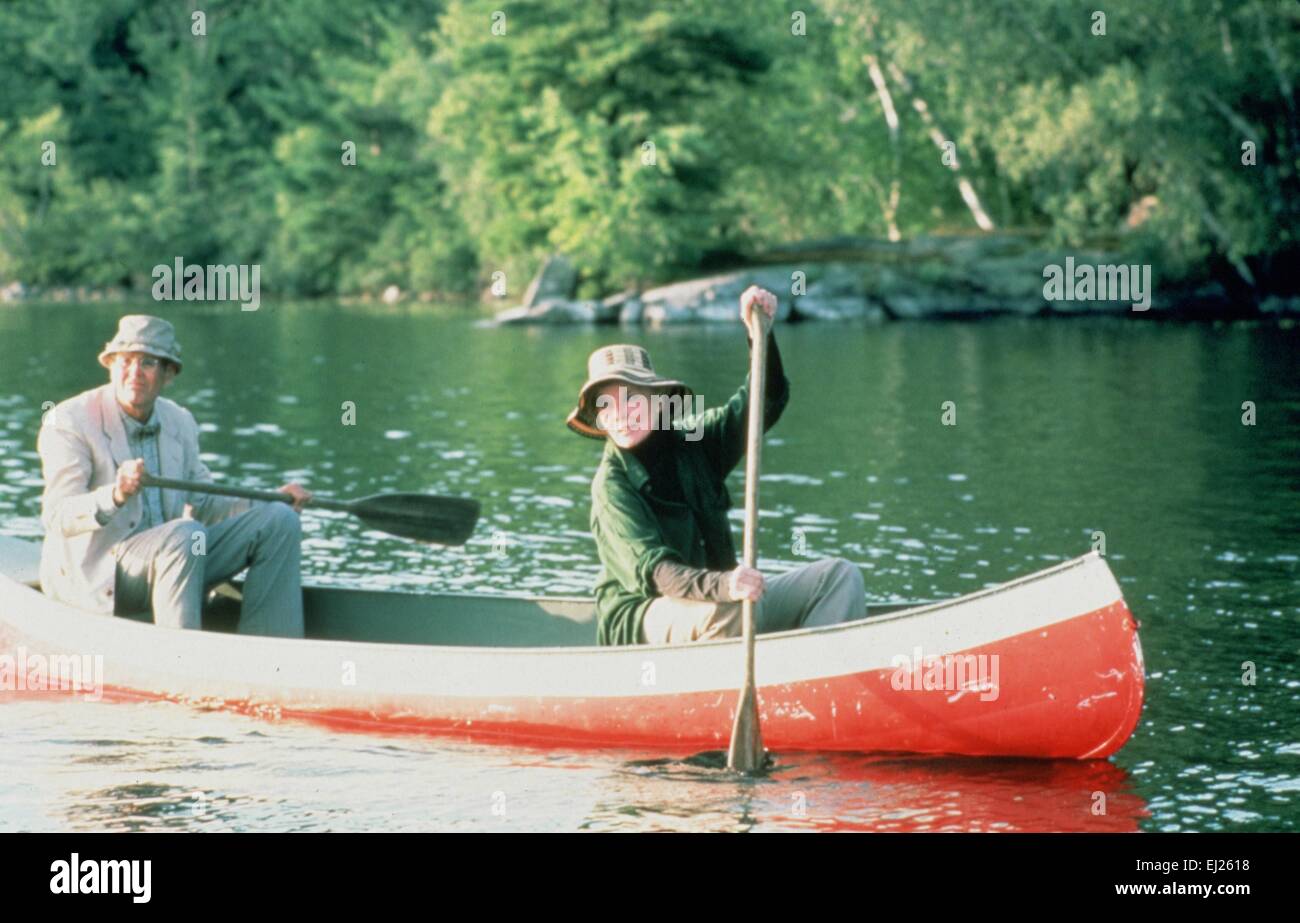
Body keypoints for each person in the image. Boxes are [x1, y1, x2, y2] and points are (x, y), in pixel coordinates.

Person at [567, 285, 866, 646]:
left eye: (631, 399)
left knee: (838, 576)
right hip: (644, 617)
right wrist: (724, 586)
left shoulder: (696, 441)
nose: (620, 416)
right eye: (606, 406)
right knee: (734, 608)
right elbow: (657, 572)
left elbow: (763, 403)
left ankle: (811, 677)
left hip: (722, 601)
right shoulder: (611, 485)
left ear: (660, 403)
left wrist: (761, 335)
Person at [37, 314, 310, 637]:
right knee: (185, 534)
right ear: (110, 365)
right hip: (99, 576)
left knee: (279, 521)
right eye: (125, 361)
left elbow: (206, 502)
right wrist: (116, 495)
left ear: (169, 373)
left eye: (148, 363)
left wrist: (272, 498)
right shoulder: (69, 420)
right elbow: (56, 515)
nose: (134, 373)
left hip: (175, 560)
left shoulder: (179, 421)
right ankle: (182, 661)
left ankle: (272, 654)